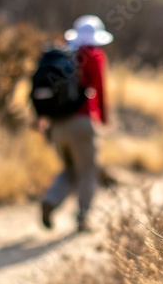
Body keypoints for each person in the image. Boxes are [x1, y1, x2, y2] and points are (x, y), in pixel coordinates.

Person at [40, 15, 112, 233]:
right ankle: (83, 219)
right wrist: (104, 118)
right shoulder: (93, 55)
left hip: (57, 124)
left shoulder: (62, 54)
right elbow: (98, 89)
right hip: (82, 122)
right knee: (88, 170)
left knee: (70, 168)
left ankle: (51, 201)